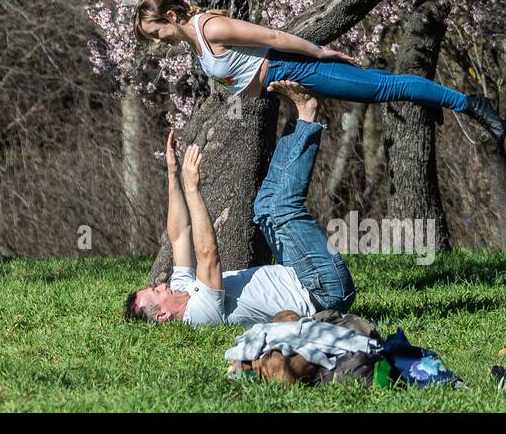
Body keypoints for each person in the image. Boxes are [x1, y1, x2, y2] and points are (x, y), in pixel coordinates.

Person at [124, 81, 355, 326]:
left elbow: (179, 235)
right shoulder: (200, 315)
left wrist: (173, 175)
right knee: (281, 209)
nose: (162, 285)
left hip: (303, 273)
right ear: (163, 315)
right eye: (157, 293)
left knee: (264, 208)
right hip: (323, 290)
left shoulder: (183, 289)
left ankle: (301, 116)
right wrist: (192, 188)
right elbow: (208, 255)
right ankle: (308, 111)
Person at [133, 0, 506, 139]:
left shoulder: (211, 28)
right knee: (378, 87)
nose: (157, 41)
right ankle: (430, 98)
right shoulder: (195, 42)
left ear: (170, 15)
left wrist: (318, 52)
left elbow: (273, 38)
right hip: (283, 83)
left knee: (382, 88)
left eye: (155, 32)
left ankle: (471, 103)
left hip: (296, 69)